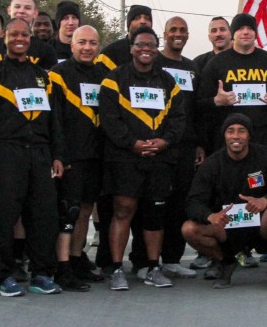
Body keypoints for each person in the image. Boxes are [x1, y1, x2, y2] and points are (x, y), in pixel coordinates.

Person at [0, 18, 64, 297]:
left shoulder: (43, 77)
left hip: (39, 155)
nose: (19, 39)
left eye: (24, 35)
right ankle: (2, 276)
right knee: (3, 218)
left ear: (30, 39)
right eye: (14, 34)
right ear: (5, 37)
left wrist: (58, 156)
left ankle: (41, 274)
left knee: (43, 216)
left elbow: (55, 122)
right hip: (5, 154)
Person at [99, 26, 185, 290]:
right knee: (123, 211)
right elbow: (110, 120)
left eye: (151, 45)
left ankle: (152, 267)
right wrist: (133, 144)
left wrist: (164, 142)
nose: (146, 49)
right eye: (140, 45)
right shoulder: (114, 79)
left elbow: (178, 119)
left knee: (155, 215)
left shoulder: (169, 82)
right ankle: (116, 269)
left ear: (157, 49)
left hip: (159, 159)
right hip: (125, 158)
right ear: (131, 48)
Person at [183, 113, 267, 290]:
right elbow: (193, 202)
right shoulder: (212, 164)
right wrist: (210, 216)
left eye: (241, 131)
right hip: (227, 225)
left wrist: (265, 200)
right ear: (224, 136)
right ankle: (226, 262)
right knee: (189, 229)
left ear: (249, 135)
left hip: (260, 223)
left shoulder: (266, 155)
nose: (236, 136)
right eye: (230, 131)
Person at [48, 25, 108, 287]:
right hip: (69, 155)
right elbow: (54, 121)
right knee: (67, 211)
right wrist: (58, 155)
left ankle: (75, 259)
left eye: (93, 43)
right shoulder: (58, 75)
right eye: (81, 42)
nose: (87, 47)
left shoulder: (105, 76)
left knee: (84, 210)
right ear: (71, 45)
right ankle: (61, 267)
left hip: (95, 155)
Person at [153, 16, 204, 278]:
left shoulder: (192, 67)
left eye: (183, 30)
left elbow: (194, 110)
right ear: (164, 34)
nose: (178, 34)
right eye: (173, 29)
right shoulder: (155, 62)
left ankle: (172, 258)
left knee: (179, 202)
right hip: (158, 145)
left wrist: (197, 143)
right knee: (155, 203)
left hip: (185, 146)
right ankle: (147, 260)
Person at [196, 13, 267, 155]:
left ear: (255, 33)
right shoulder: (216, 63)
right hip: (229, 141)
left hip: (264, 138)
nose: (245, 32)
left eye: (250, 28)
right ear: (233, 33)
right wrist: (216, 101)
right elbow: (199, 104)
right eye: (240, 28)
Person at [0, 0, 57, 68]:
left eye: (27, 8)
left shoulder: (46, 49)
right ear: (9, 10)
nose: (21, 11)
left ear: (35, 13)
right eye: (17, 7)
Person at [97, 4, 153, 71]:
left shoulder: (156, 55)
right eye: (137, 18)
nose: (143, 21)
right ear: (129, 24)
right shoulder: (110, 53)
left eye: (147, 18)